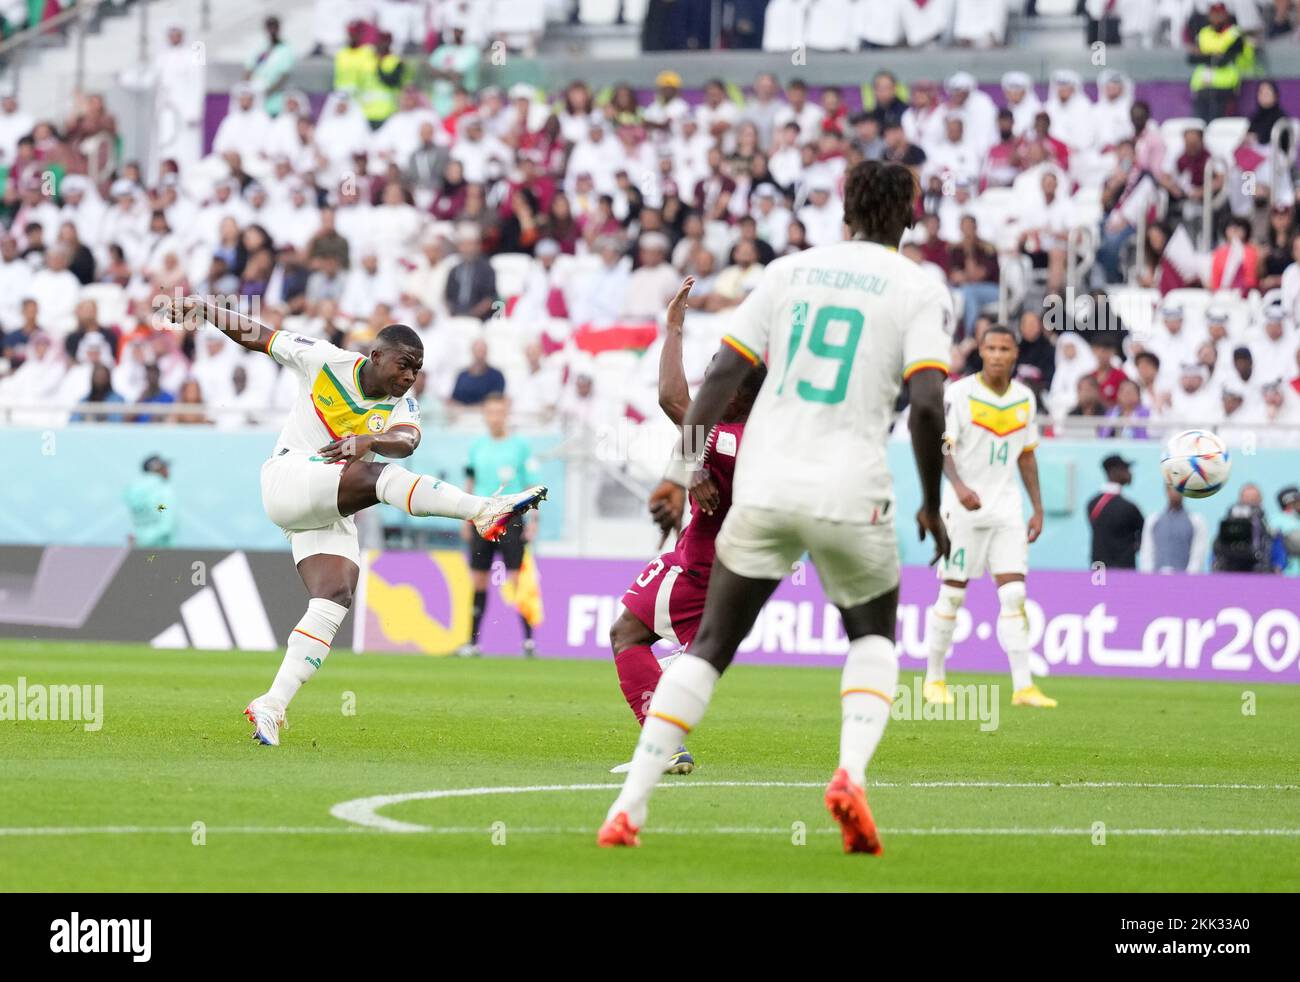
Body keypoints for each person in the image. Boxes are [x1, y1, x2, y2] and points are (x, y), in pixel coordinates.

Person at [599, 160, 952, 853]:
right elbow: (929, 407)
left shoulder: (788, 272)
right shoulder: (920, 287)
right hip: (852, 485)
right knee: (873, 639)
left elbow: (720, 376)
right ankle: (849, 775)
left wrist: (685, 466)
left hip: (767, 482)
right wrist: (933, 503)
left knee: (706, 651)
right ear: (911, 214)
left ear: (843, 209)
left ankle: (628, 810)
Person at [166, 297, 547, 747]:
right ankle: (483, 510)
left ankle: (271, 704)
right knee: (372, 477)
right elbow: (258, 335)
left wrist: (370, 439)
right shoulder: (325, 359)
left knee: (336, 593)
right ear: (376, 356)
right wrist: (207, 310)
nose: (409, 377)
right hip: (288, 478)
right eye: (404, 365)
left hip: (327, 503)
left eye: (418, 370)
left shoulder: (402, 406)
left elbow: (406, 442)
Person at [609, 277, 765, 776]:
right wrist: (693, 469)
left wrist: (673, 326)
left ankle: (662, 746)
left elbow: (673, 399)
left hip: (696, 565)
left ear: (740, 394)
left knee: (627, 634)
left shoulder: (728, 437)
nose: (709, 377)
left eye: (720, 373)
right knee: (691, 661)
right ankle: (667, 738)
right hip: (737, 573)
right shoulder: (766, 436)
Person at [922, 325, 1054, 710]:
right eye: (991, 348)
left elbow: (1026, 455)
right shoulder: (959, 393)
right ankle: (934, 678)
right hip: (962, 509)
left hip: (1007, 508)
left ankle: (1024, 687)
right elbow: (943, 445)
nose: (997, 355)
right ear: (980, 351)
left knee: (1014, 594)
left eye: (1004, 349)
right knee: (952, 593)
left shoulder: (1025, 399)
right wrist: (960, 486)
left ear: (1015, 354)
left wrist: (1038, 508)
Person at [457, 394, 542, 659]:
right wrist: (464, 519)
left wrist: (533, 520)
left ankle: (528, 642)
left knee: (517, 579)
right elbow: (470, 485)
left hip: (511, 519)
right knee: (479, 580)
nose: (495, 417)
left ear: (506, 413)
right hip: (481, 518)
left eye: (499, 412)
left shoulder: (520, 447)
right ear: (485, 415)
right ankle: (473, 643)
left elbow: (531, 487)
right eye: (490, 412)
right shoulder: (477, 447)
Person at [1086, 455, 1145, 570]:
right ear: (1114, 472)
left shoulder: (1092, 504)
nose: (1130, 473)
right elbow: (1145, 534)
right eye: (1126, 469)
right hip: (1124, 571)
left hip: (1099, 571)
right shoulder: (1129, 508)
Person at [1139, 484, 1209, 573]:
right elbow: (1147, 552)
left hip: (1184, 581)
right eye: (1172, 488)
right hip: (1157, 579)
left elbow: (1198, 554)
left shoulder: (1196, 521)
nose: (1175, 493)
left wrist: (1189, 579)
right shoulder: (1153, 520)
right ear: (1166, 490)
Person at [1212, 483, 1276, 573]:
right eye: (1246, 498)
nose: (1249, 501)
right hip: (1228, 569)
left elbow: (1274, 552)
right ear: (1240, 498)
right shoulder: (1228, 521)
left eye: (1253, 498)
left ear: (1260, 499)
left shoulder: (1267, 524)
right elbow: (1217, 547)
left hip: (1258, 569)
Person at [124, 454, 176, 548]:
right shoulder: (163, 490)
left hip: (138, 545)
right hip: (161, 546)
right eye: (164, 467)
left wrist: (140, 539)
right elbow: (165, 519)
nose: (167, 470)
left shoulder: (133, 489)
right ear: (158, 469)